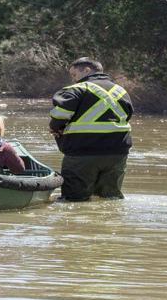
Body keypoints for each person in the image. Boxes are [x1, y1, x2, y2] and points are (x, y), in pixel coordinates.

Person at [49, 58, 133, 201]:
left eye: (74, 75)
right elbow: (127, 116)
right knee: (110, 199)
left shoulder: (76, 90)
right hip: (117, 153)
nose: (73, 79)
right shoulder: (121, 91)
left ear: (87, 70)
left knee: (73, 200)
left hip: (82, 152)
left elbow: (59, 116)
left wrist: (55, 128)